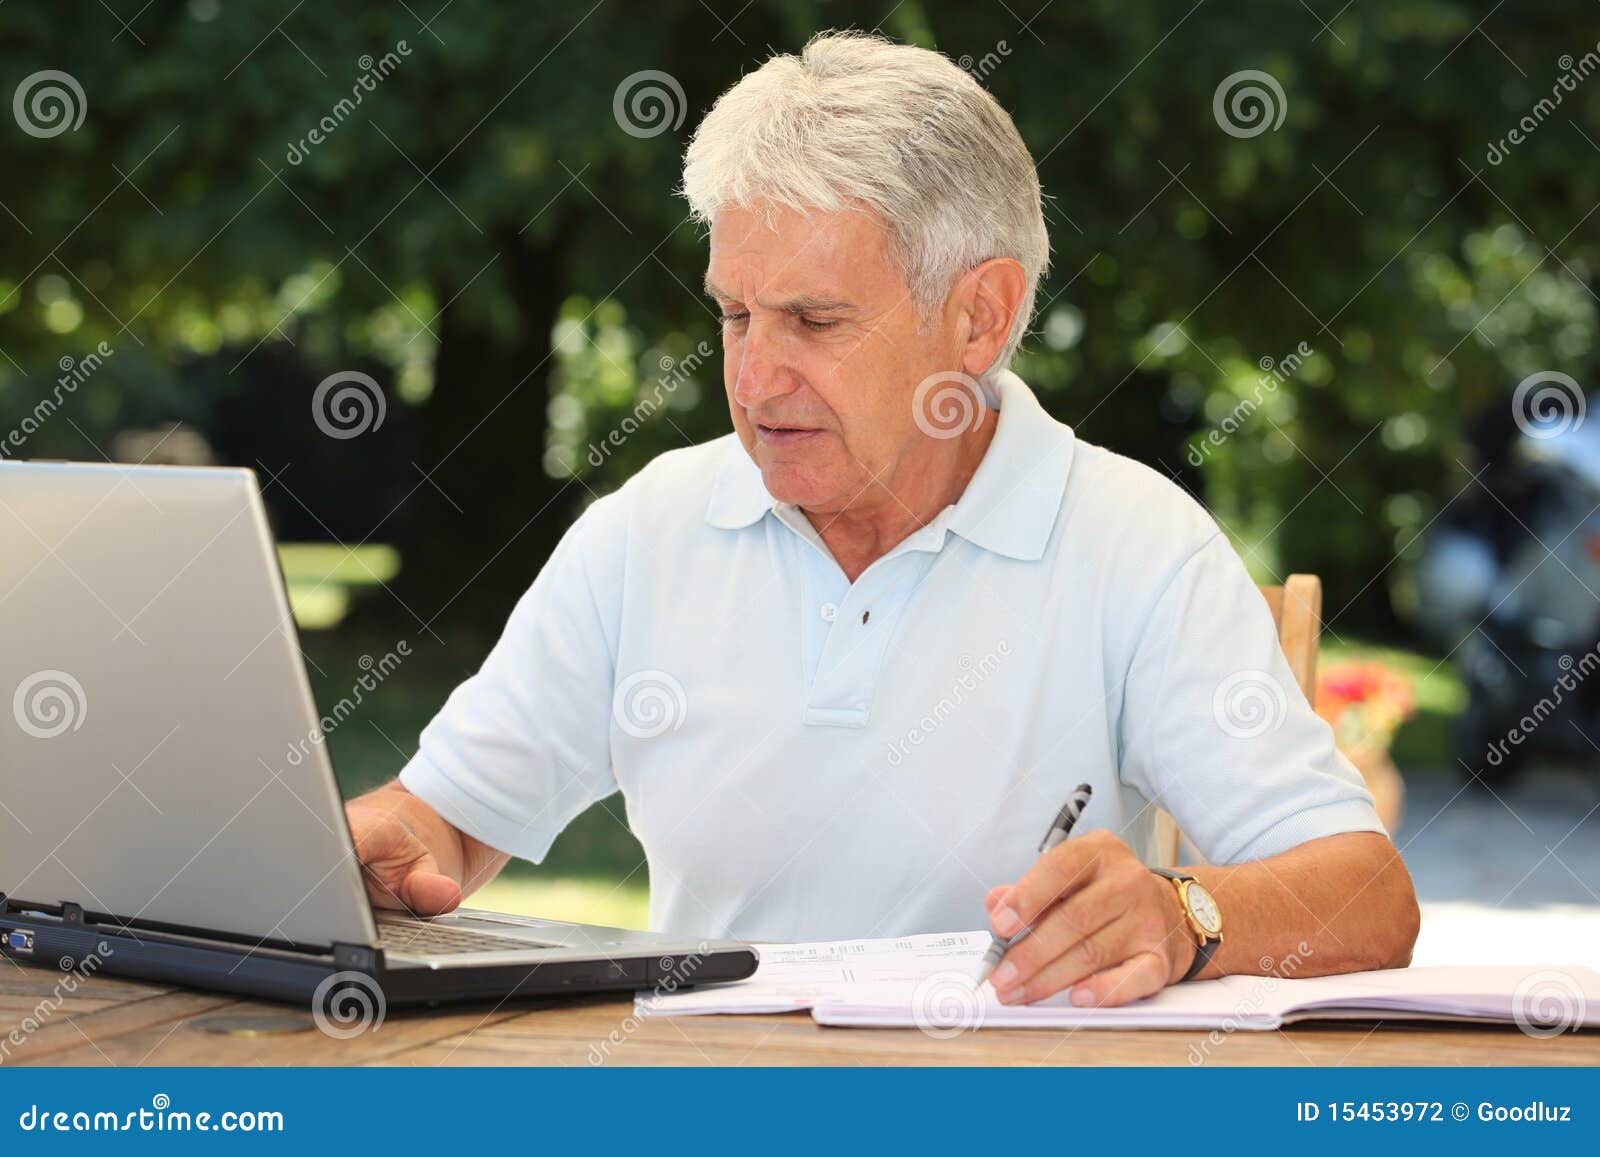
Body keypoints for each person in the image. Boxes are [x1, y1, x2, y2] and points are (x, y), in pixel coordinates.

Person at [346, 31, 1418, 1008]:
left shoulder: (1135, 542)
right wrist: (382, 840)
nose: (755, 375)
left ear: (978, 317)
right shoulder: (650, 529)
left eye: (814, 320)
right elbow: (442, 822)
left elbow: (1366, 896)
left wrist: (1183, 915)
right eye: (732, 314)